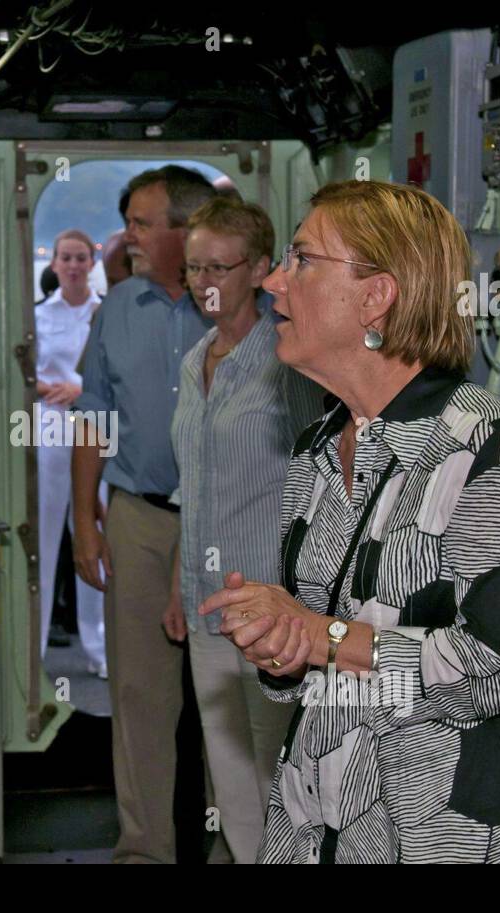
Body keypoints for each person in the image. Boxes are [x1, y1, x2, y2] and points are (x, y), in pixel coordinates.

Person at [200, 180, 500, 863]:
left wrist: (323, 634)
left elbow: (498, 666)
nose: (277, 284)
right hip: (328, 812)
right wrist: (284, 646)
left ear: (376, 295)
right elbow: (320, 649)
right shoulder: (318, 448)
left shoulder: (493, 449)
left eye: (303, 260)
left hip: (458, 824)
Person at [165, 197, 326, 863]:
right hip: (208, 607)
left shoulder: (287, 364)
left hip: (272, 607)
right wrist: (180, 582)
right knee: (231, 786)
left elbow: (323, 479)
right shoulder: (195, 359)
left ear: (261, 269)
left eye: (219, 268)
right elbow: (194, 485)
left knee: (280, 778)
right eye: (193, 268)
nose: (204, 282)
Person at [72, 164, 216, 863]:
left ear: (183, 228)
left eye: (139, 222)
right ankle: (144, 851)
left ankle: (241, 846)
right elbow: (93, 415)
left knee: (230, 692)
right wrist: (84, 520)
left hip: (225, 523)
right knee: (139, 696)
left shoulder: (241, 305)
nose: (127, 235)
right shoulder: (117, 308)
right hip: (139, 516)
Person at [35, 229, 106, 676]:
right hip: (45, 426)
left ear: (92, 261)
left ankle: (100, 649)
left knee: (94, 538)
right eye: (66, 258)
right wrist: (51, 388)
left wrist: (78, 388)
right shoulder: (40, 314)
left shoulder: (105, 314)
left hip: (96, 429)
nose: (74, 265)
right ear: (55, 263)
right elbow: (25, 367)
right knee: (42, 541)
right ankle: (35, 644)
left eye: (81, 257)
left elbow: (110, 371)